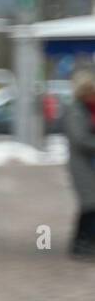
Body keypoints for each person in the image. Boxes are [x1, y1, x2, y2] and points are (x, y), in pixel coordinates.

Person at [64, 68, 95, 260]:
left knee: (90, 205)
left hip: (90, 164)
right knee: (90, 204)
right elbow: (80, 139)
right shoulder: (76, 110)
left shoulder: (88, 109)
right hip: (82, 165)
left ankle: (84, 242)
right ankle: (81, 243)